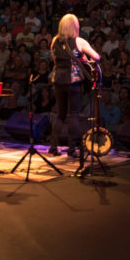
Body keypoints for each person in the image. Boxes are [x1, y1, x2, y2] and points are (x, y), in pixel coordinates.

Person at [48, 13, 101, 158]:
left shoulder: (54, 41)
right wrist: (83, 58)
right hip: (73, 82)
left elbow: (55, 60)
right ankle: (72, 148)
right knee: (74, 114)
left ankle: (53, 147)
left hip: (58, 81)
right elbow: (97, 57)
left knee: (60, 114)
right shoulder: (79, 42)